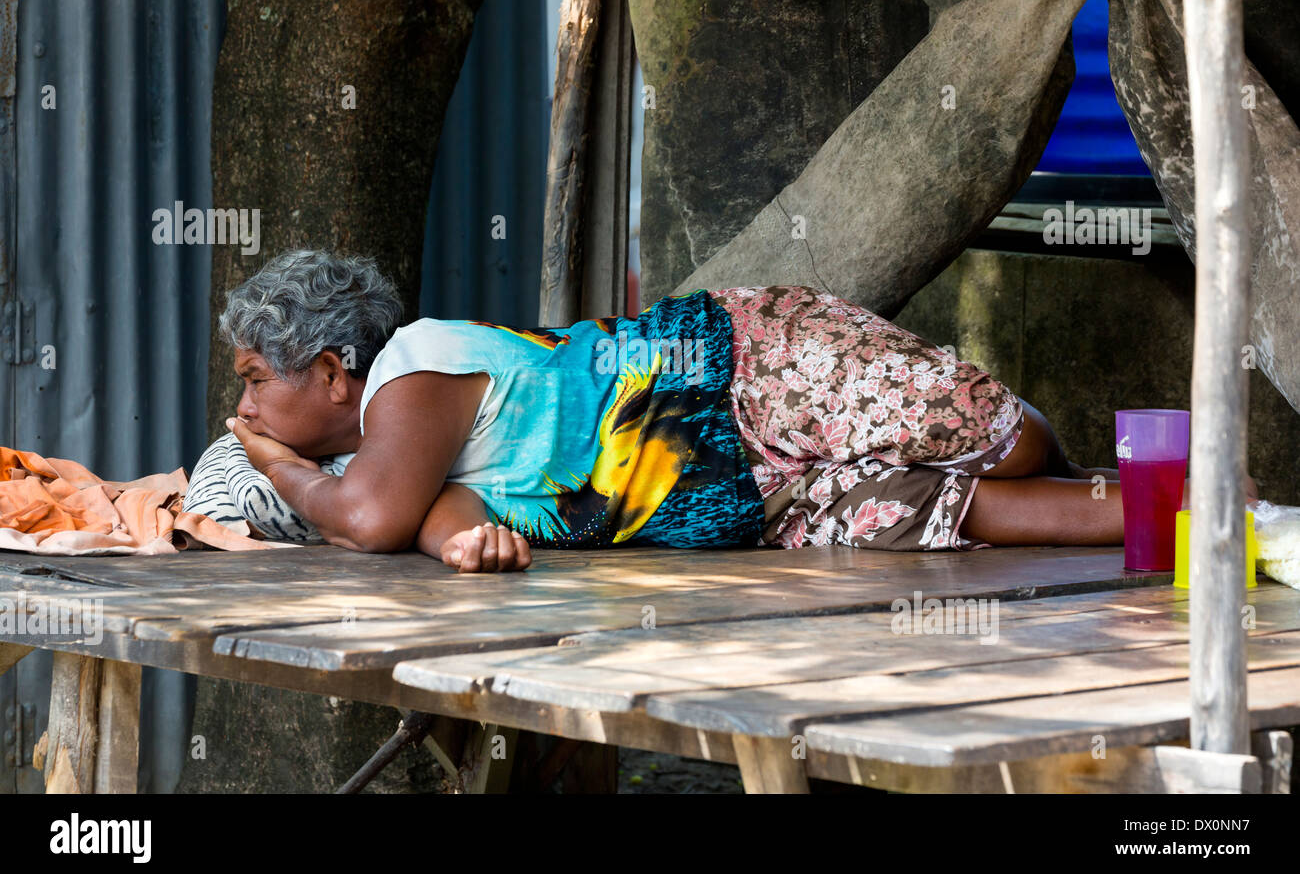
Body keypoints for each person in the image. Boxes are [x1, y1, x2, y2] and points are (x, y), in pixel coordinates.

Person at [217, 250, 1253, 573]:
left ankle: (1194, 473)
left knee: (1013, 440)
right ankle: (1205, 501)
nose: (245, 402)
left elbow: (370, 518)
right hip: (733, 492)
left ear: (334, 369)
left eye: (257, 378)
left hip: (742, 369)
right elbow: (437, 516)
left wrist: (266, 457)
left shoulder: (411, 367)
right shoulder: (404, 447)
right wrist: (469, 546)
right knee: (952, 509)